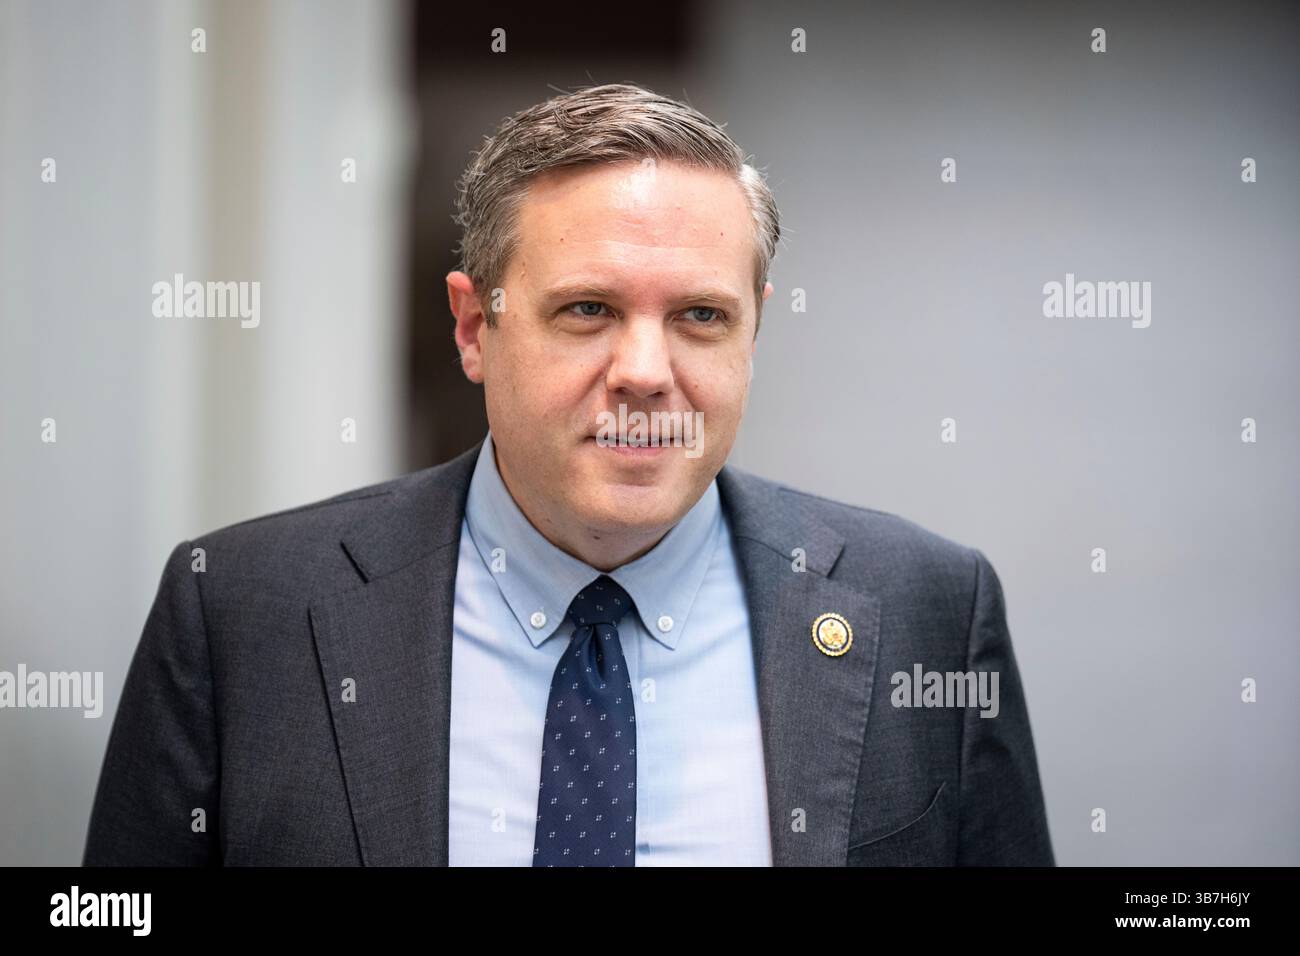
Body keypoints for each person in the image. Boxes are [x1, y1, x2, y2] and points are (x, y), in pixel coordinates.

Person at [83, 82, 1053, 866]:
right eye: (587, 308)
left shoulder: (927, 604)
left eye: (700, 316)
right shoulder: (244, 607)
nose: (643, 369)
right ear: (474, 325)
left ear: (755, 323)